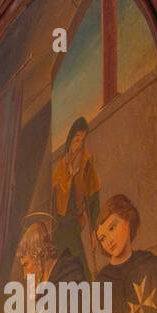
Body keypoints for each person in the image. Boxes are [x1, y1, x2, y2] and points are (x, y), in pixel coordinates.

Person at [51, 117, 102, 278]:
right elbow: (54, 201)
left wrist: (94, 230)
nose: (79, 144)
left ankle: (89, 295)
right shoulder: (61, 166)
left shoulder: (86, 161)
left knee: (79, 261)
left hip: (73, 222)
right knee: (61, 266)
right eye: (76, 140)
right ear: (70, 139)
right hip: (59, 224)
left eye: (82, 140)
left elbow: (93, 197)